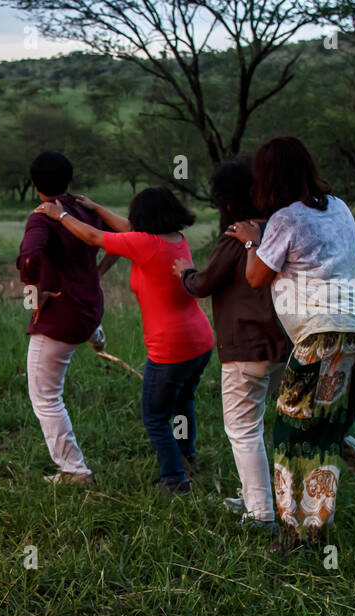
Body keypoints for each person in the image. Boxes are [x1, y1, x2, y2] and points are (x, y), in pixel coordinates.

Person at [227, 136, 355, 549]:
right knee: (340, 419)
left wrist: (248, 240)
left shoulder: (284, 220)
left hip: (325, 338)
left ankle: (303, 535)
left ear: (268, 177)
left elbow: (256, 277)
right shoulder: (338, 206)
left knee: (298, 434)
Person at [35, 186, 215, 494]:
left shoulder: (145, 244)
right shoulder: (175, 239)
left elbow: (93, 238)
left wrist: (60, 214)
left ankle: (174, 481)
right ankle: (187, 459)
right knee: (183, 403)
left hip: (171, 348)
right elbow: (127, 229)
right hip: (200, 342)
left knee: (156, 416)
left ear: (144, 217)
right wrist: (98, 206)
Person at [173, 158, 292, 529]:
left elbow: (203, 284)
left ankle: (260, 513)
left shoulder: (235, 236)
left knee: (242, 430)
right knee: (259, 425)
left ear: (225, 201)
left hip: (245, 346)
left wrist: (184, 273)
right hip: (284, 344)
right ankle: (254, 496)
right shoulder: (277, 228)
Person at [16, 151, 114, 485]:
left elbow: (28, 260)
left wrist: (34, 296)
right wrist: (96, 272)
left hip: (62, 315)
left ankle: (74, 470)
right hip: (89, 305)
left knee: (44, 396)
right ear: (69, 179)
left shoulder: (42, 217)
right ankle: (95, 335)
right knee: (82, 327)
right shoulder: (84, 208)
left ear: (33, 184)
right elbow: (116, 241)